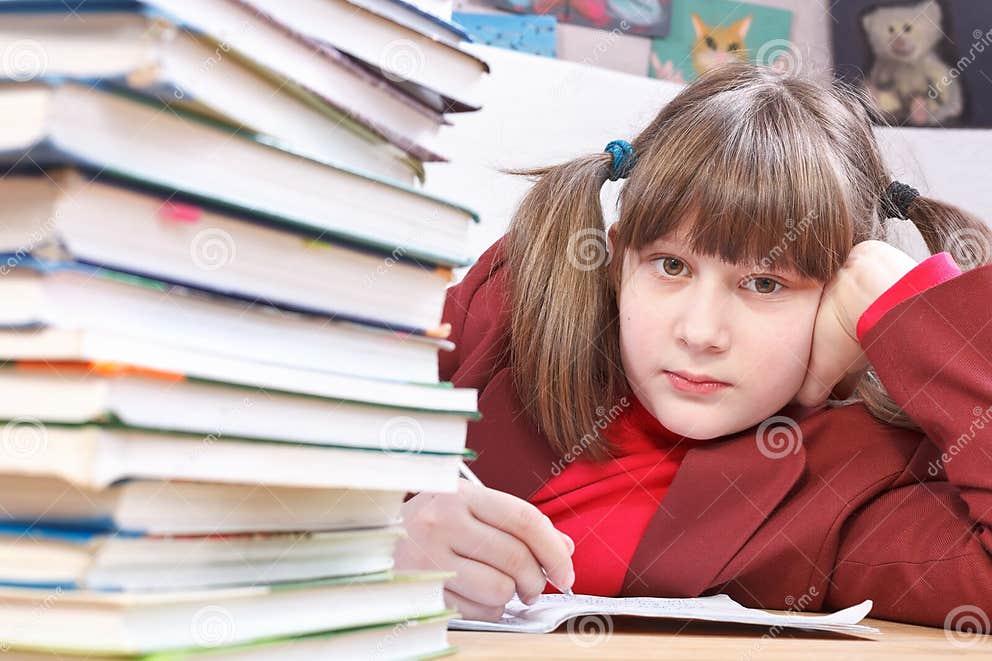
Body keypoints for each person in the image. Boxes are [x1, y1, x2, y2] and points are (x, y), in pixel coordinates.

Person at [395, 61, 992, 629]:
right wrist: (375, 544)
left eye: (765, 283)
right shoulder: (505, 312)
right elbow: (310, 447)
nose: (700, 333)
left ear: (836, 300)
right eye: (671, 266)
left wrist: (911, 307)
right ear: (619, 256)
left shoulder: (857, 477)